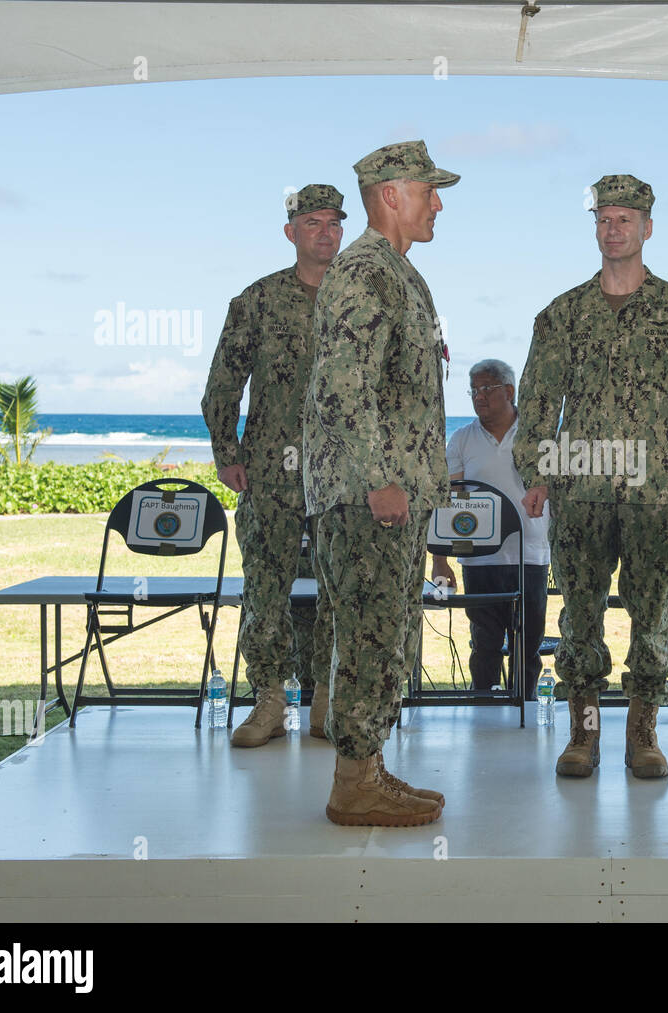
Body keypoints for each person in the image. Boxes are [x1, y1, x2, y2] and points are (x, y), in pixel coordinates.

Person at [515, 174, 668, 780]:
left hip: (655, 490)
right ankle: (584, 736)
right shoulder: (561, 315)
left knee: (652, 611)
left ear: (648, 228)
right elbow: (536, 402)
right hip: (580, 487)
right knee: (578, 615)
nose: (613, 230)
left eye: (625, 220)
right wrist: (535, 471)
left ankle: (643, 733)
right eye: (604, 219)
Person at [303, 140, 459, 827]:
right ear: (392, 193)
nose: (438, 203)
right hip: (370, 495)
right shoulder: (365, 270)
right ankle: (353, 783)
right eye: (430, 191)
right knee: (370, 634)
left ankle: (367, 769)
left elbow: (386, 375)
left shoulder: (397, 274)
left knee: (385, 631)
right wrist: (380, 479)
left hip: (390, 491)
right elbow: (345, 383)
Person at [201, 183, 344, 748]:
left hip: (342, 473)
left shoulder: (359, 297)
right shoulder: (257, 300)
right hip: (269, 470)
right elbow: (223, 383)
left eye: (334, 222)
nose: (325, 232)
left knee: (340, 588)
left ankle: (327, 699)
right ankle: (268, 700)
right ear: (291, 233)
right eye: (313, 222)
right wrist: (227, 454)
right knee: (266, 588)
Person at [431, 359, 551, 700]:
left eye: (486, 389)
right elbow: (446, 503)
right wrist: (440, 561)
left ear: (509, 391)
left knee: (527, 644)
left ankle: (524, 711)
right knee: (484, 642)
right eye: (473, 390)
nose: (478, 397)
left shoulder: (537, 435)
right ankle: (482, 709)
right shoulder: (461, 440)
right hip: (478, 558)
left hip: (531, 554)